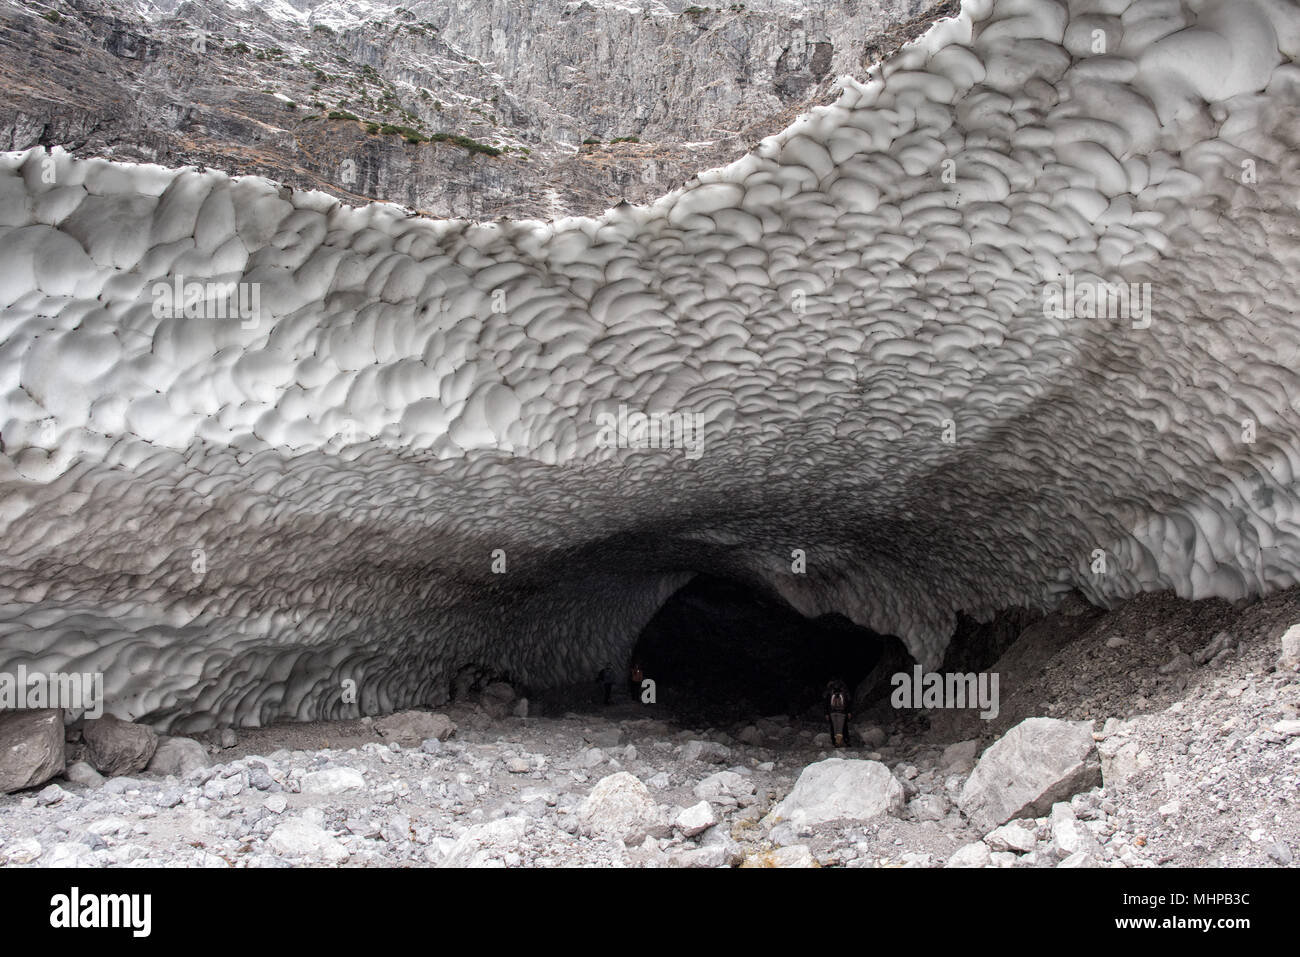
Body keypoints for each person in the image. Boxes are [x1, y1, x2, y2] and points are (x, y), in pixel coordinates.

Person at [825, 679, 851, 748]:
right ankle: (839, 743)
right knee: (840, 728)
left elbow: (826, 703)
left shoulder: (830, 692)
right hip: (841, 712)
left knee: (835, 728)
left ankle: (836, 742)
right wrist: (848, 712)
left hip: (832, 712)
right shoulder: (844, 692)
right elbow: (847, 702)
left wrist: (827, 713)